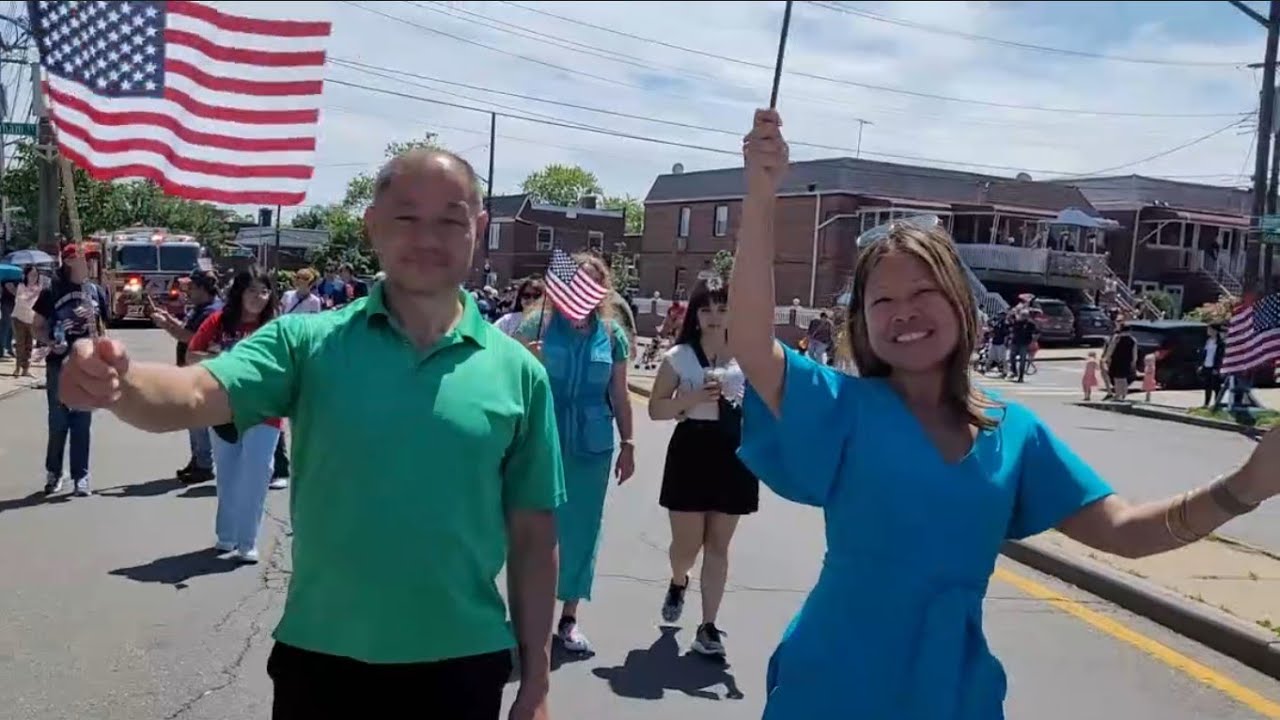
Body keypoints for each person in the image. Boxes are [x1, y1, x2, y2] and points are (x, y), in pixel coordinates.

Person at [728, 108, 1280, 719]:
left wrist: (1246, 487)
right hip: (833, 684)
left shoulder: (1013, 433)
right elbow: (751, 342)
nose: (904, 312)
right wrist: (761, 196)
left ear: (961, 303)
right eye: (883, 300)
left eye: (924, 292)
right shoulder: (844, 407)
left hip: (952, 692)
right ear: (863, 321)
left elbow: (1123, 531)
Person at [56, 148, 563, 720]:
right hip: (324, 662)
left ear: (479, 228)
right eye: (405, 216)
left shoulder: (520, 374)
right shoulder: (306, 343)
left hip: (462, 665)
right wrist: (118, 383)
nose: (427, 237)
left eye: (450, 218)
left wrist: (537, 684)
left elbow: (534, 536)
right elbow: (194, 393)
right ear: (373, 226)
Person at [514, 253, 635, 656]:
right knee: (536, 527)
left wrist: (629, 443)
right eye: (576, 281)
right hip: (542, 437)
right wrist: (527, 362)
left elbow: (619, 393)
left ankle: (568, 617)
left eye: (593, 283)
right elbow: (507, 382)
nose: (582, 290)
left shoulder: (611, 335)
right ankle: (529, 614)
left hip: (592, 446)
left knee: (582, 530)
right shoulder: (537, 324)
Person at [646, 281, 757, 658]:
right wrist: (691, 398)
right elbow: (656, 408)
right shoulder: (679, 357)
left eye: (722, 309)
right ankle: (679, 580)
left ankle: (708, 626)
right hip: (691, 448)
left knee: (719, 545)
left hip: (733, 450)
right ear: (694, 314)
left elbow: (767, 403)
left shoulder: (747, 356)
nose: (714, 317)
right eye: (706, 309)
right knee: (687, 545)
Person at [186, 269, 280, 564]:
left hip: (265, 412)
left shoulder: (276, 327)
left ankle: (247, 541)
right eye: (252, 290)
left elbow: (289, 365)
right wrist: (226, 358)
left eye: (264, 291)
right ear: (239, 292)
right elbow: (192, 356)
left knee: (258, 473)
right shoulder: (218, 322)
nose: (258, 297)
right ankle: (226, 535)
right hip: (224, 409)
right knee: (228, 475)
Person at [33, 244, 109, 497]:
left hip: (86, 365)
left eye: (89, 260)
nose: (88, 264)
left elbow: (104, 329)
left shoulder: (95, 291)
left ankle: (81, 476)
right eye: (83, 259)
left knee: (81, 422)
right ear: (68, 261)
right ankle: (54, 472)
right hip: (59, 364)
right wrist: (49, 341)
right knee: (58, 421)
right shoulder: (51, 291)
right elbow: (36, 325)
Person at [152, 269, 223, 484]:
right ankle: (198, 460)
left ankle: (204, 464)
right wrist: (169, 318)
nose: (187, 291)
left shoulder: (212, 310)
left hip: (202, 372)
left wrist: (165, 325)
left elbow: (190, 337)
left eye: (192, 287)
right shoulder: (200, 308)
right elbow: (186, 328)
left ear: (203, 288)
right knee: (192, 419)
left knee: (199, 419)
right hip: (192, 371)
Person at [272, 267, 325, 489]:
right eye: (298, 278)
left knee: (300, 410)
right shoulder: (287, 296)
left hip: (302, 353)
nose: (299, 282)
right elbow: (279, 318)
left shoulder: (314, 302)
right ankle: (283, 464)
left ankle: (301, 461)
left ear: (311, 283)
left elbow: (315, 328)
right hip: (284, 350)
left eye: (304, 279)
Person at [11, 266, 41, 378]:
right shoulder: (21, 286)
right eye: (31, 275)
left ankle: (26, 369)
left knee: (29, 345)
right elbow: (22, 301)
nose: (33, 277)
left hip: (31, 320)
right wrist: (34, 295)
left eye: (35, 275)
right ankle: (17, 368)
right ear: (26, 275)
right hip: (19, 318)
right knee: (20, 344)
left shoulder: (38, 288)